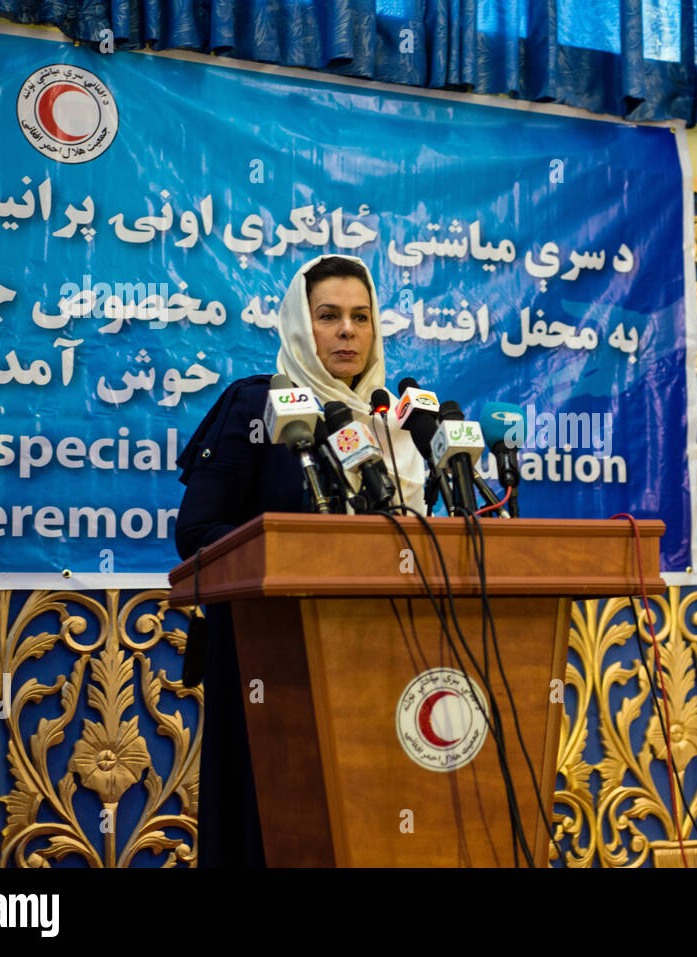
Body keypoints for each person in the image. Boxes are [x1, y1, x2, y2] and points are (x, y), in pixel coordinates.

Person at [173, 253, 426, 867]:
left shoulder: (398, 421)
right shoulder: (256, 407)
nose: (347, 331)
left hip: (385, 662)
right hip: (271, 662)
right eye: (329, 316)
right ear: (298, 326)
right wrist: (299, 552)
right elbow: (199, 533)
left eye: (361, 317)